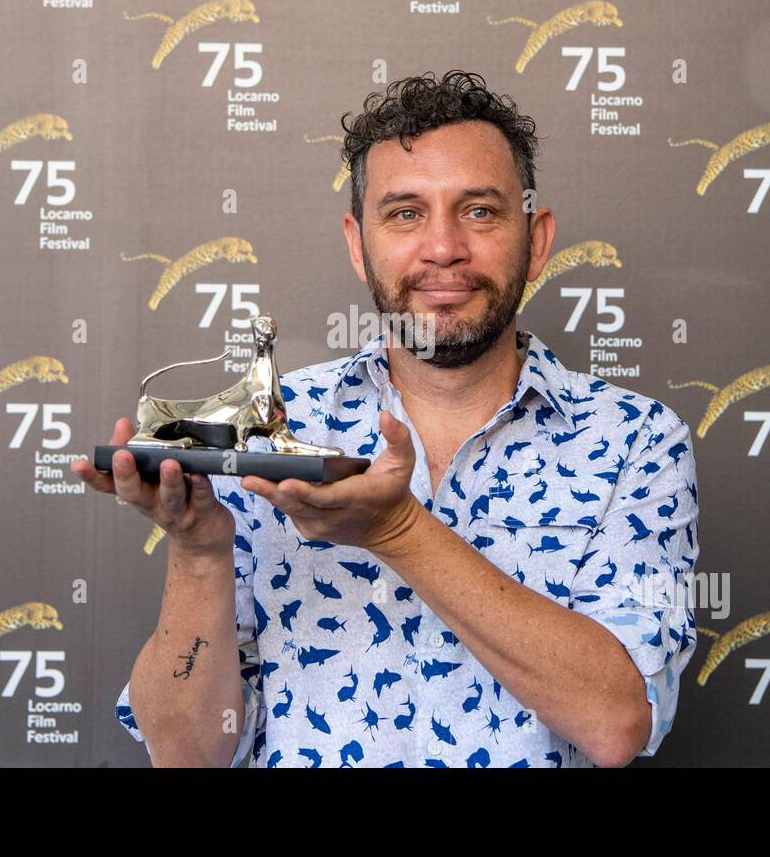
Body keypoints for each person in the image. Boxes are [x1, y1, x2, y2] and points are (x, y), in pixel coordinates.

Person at [72, 70, 699, 768]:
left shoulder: (635, 439)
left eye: (480, 211)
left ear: (538, 238)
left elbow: (617, 722)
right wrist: (197, 548)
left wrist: (399, 531)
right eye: (404, 213)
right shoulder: (274, 437)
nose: (442, 248)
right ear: (356, 241)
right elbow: (187, 753)